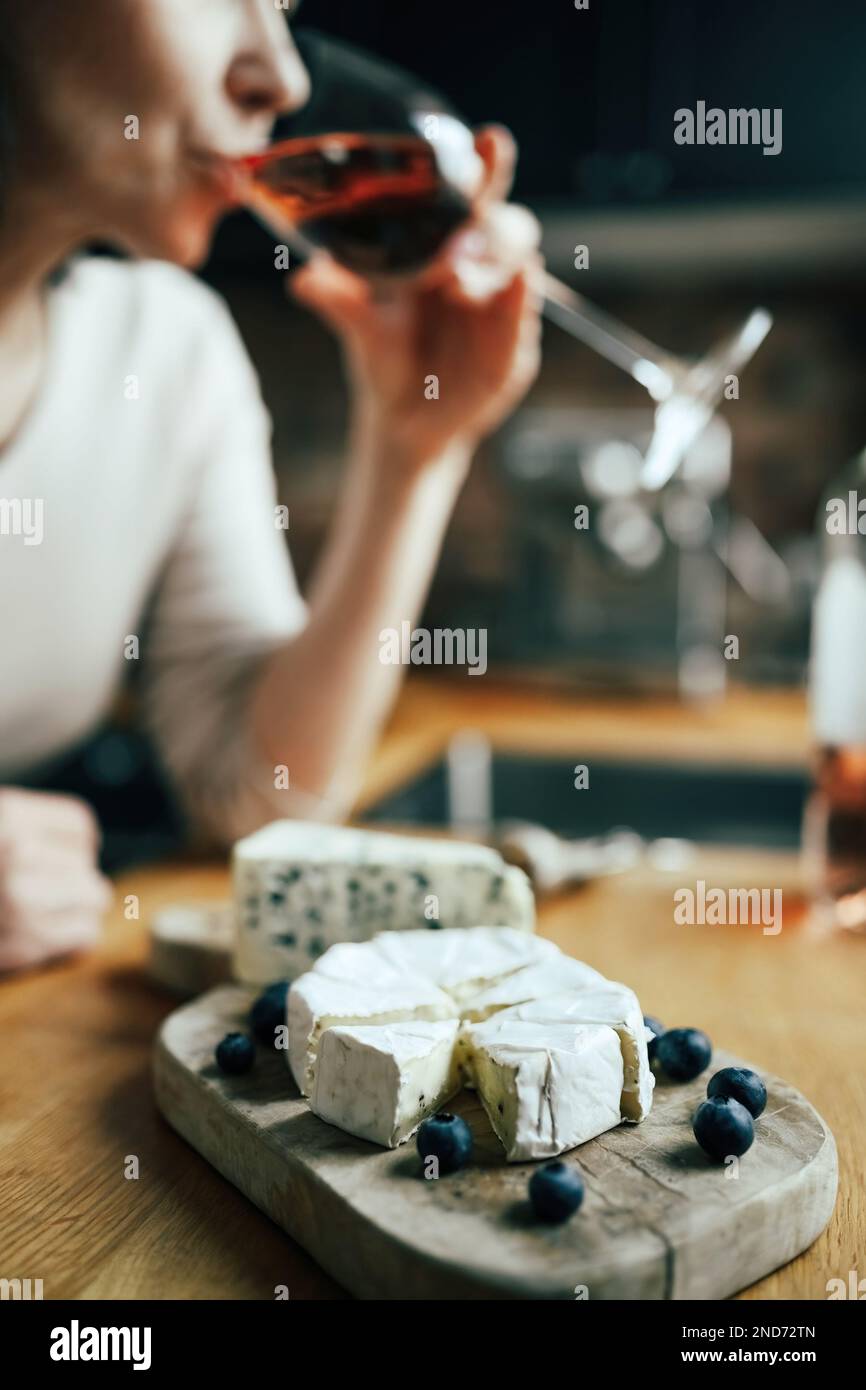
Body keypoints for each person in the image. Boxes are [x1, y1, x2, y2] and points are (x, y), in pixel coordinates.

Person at [0, 1, 543, 970]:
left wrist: (414, 450)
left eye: (284, 6)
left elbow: (257, 789)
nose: (282, 77)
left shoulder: (162, 351)